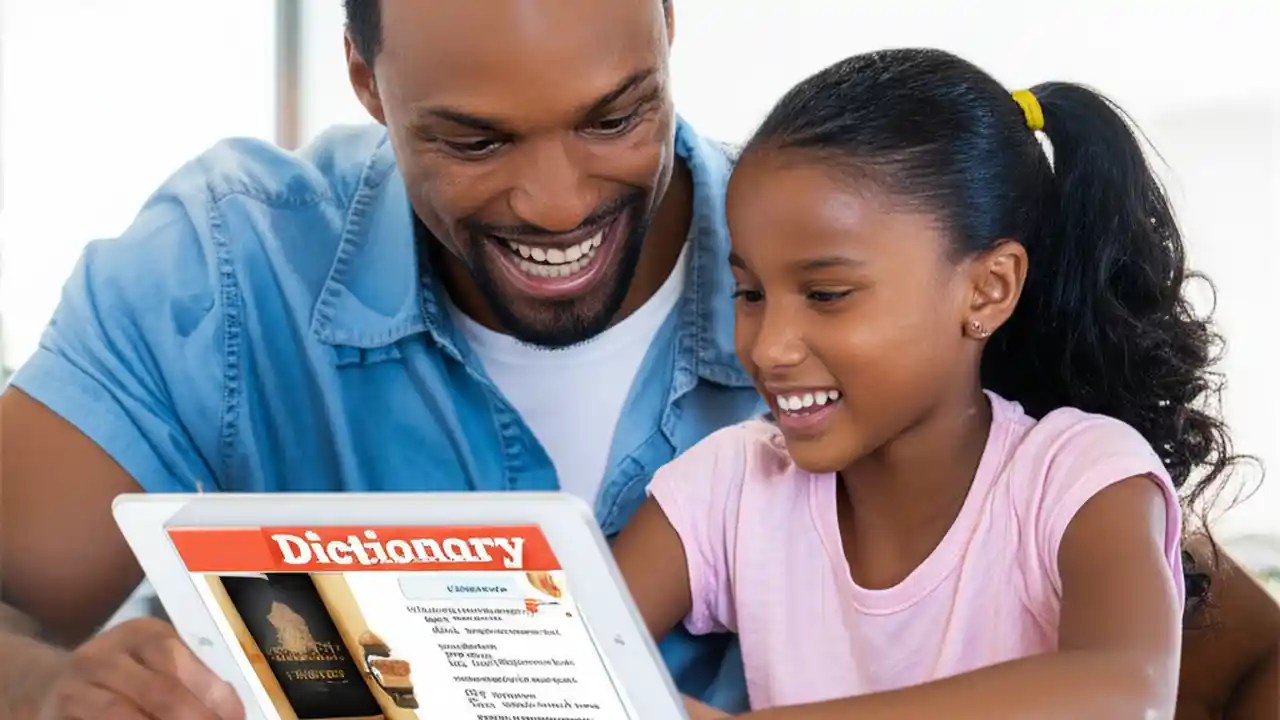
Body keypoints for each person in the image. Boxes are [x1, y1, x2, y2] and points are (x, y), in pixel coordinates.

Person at [0, 2, 1273, 719]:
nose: (554, 202)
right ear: (364, 80)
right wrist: (61, 690)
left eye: (616, 117)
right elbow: (558, 660)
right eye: (475, 140)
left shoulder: (920, 309)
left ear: (670, 25)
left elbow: (1147, 675)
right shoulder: (226, 268)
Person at [611, 48, 1278, 719]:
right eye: (749, 293)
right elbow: (558, 652)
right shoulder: (730, 488)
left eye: (827, 293)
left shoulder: (1081, 478)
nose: (768, 346)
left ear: (988, 290)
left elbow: (1124, 693)